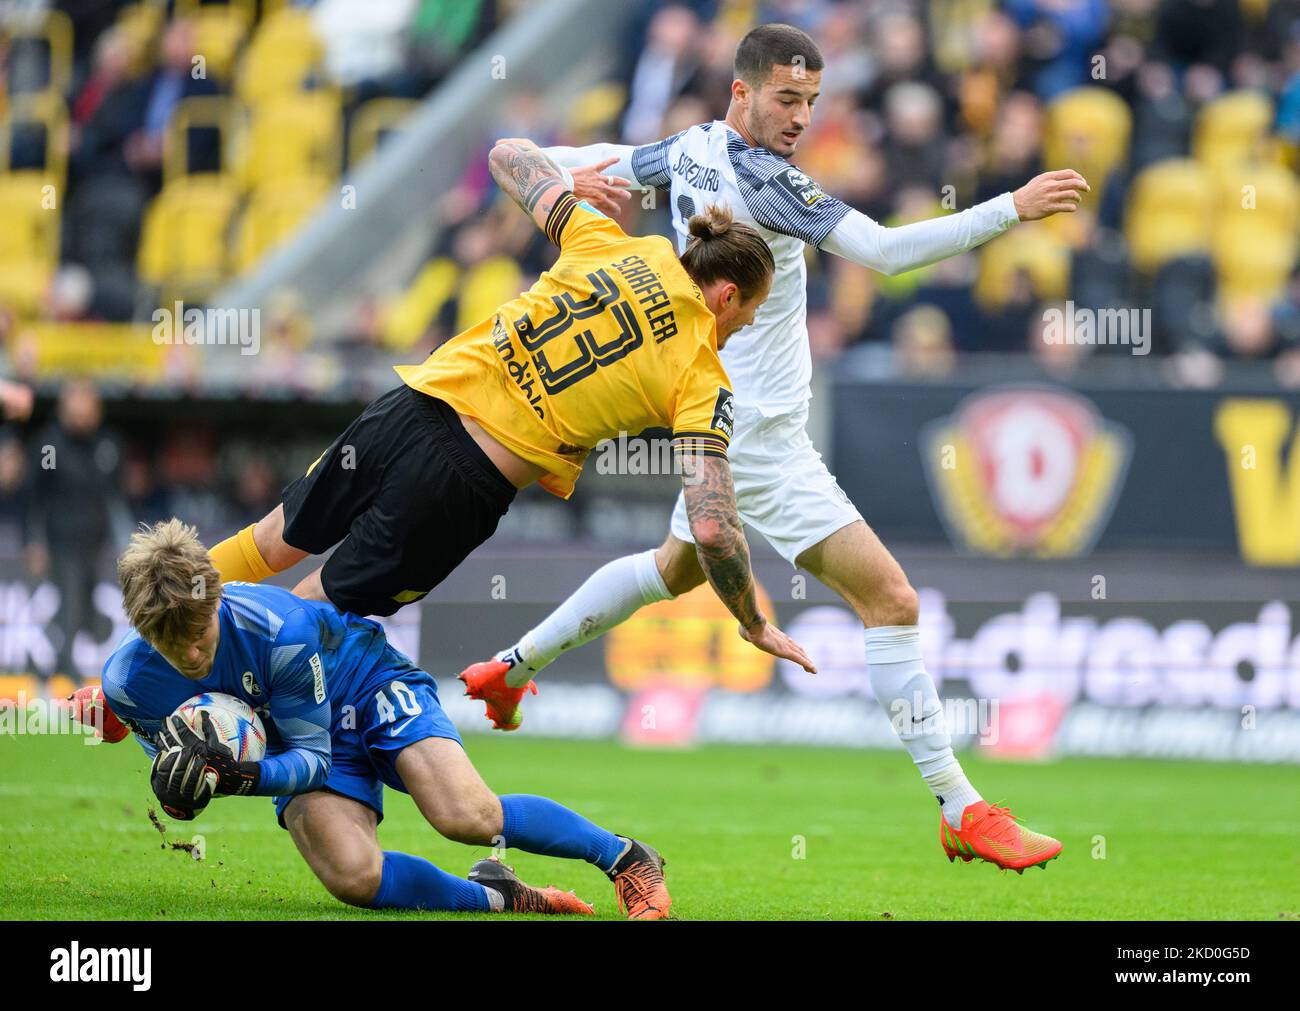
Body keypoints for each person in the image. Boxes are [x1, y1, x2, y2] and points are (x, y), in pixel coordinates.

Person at [461, 23, 1089, 873]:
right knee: (894, 602)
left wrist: (531, 153)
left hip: (712, 414)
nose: (801, 117)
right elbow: (888, 252)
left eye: (813, 102)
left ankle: (509, 665)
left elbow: (610, 159)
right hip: (756, 435)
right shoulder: (772, 183)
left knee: (671, 569)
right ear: (744, 92)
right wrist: (1010, 208)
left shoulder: (688, 148)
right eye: (788, 99)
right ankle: (961, 806)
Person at [205, 136, 815, 682]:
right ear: (727, 294)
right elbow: (711, 526)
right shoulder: (703, 376)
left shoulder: (611, 241)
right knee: (323, 603)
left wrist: (564, 182)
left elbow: (503, 153)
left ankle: (140, 658)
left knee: (272, 540)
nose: (746, 327)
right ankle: (208, 700)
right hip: (459, 484)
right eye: (750, 313)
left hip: (414, 405)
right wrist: (752, 620)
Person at [84, 518, 674, 918]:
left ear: (216, 599)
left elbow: (310, 762)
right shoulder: (129, 683)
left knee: (463, 814)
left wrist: (244, 776)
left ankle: (624, 857)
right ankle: (495, 898)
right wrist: (185, 794)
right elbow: (177, 774)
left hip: (363, 683)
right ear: (140, 631)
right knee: (353, 878)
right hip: (295, 727)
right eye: (169, 643)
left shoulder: (278, 631)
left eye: (198, 633)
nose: (190, 654)